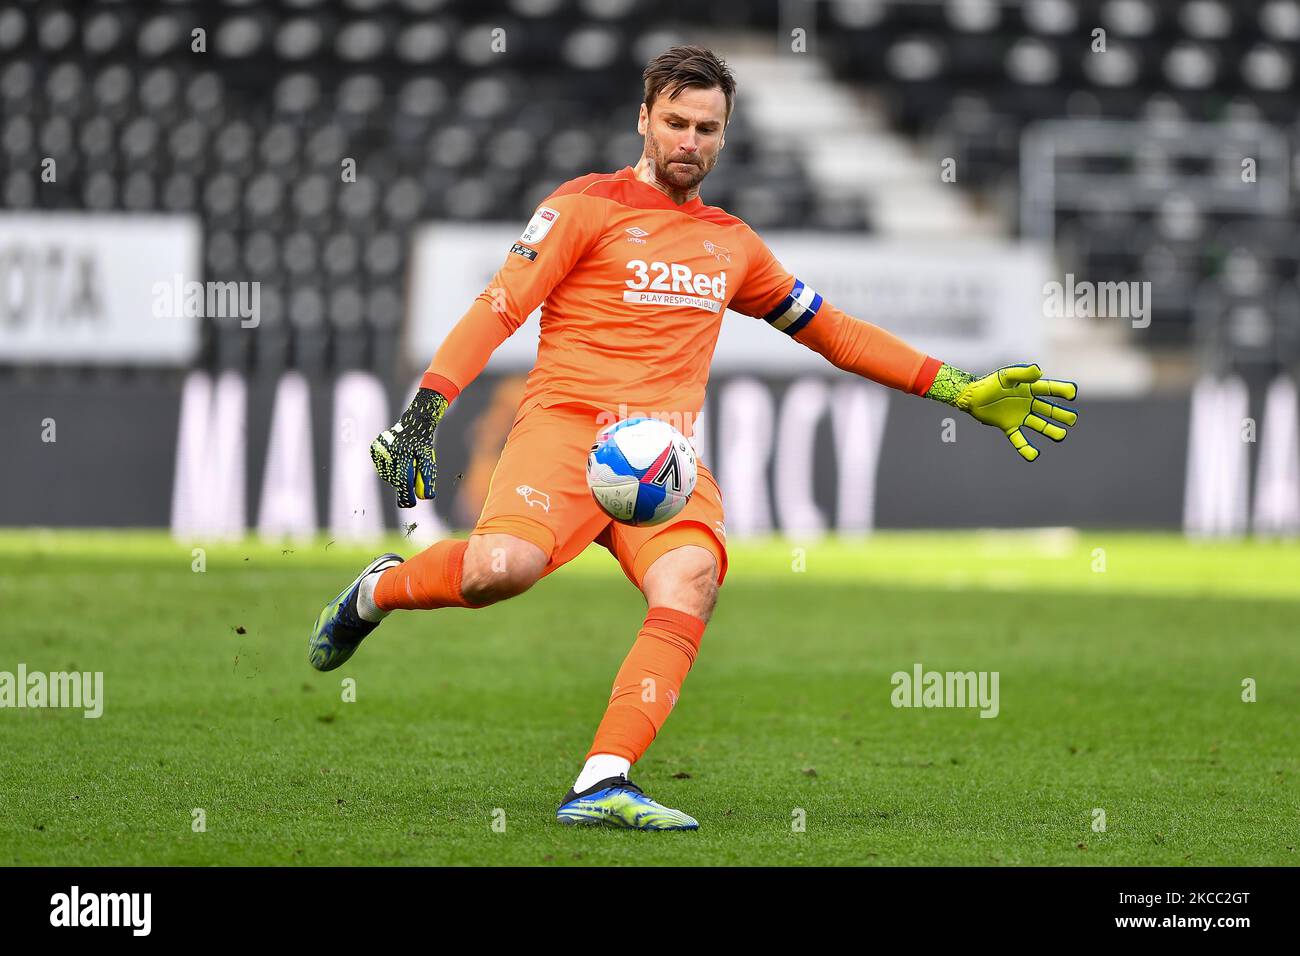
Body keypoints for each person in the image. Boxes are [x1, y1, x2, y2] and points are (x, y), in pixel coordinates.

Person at [309, 45, 1078, 831]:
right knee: (497, 573)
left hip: (664, 457)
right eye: (675, 122)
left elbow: (834, 332)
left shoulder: (731, 245)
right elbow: (500, 306)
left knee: (691, 583)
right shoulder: (583, 206)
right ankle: (378, 589)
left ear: (724, 135)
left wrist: (958, 388)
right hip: (565, 435)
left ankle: (602, 780)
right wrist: (426, 410)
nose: (689, 140)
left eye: (706, 128)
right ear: (644, 120)